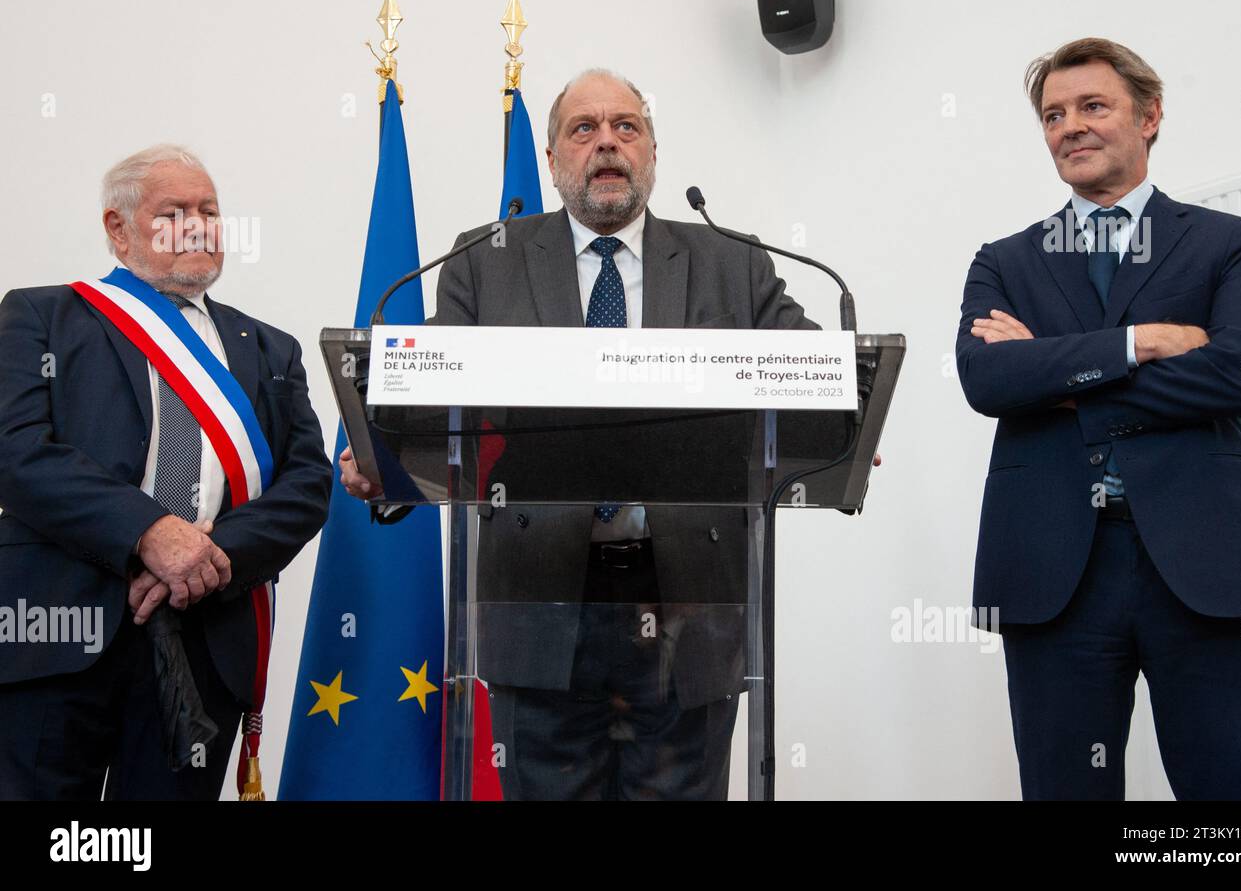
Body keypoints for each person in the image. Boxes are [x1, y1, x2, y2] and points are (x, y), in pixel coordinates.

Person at [341, 68, 821, 799]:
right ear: (551, 157)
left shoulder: (731, 260)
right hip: (536, 600)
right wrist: (384, 454)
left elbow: (814, 368)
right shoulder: (484, 259)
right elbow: (432, 391)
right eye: (584, 128)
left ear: (653, 150)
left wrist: (838, 428)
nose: (607, 143)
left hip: (690, 604)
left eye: (626, 126)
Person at [957, 38, 1241, 799]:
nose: (1069, 126)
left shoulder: (1229, 242)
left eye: (1092, 106)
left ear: (1149, 117)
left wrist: (1056, 375)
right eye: (1053, 115)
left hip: (1209, 563)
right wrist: (1138, 344)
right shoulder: (1004, 261)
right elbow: (987, 378)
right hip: (1053, 570)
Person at [0, 145, 332, 799]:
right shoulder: (41, 317)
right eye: (173, 212)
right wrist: (150, 532)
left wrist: (208, 555)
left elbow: (307, 484)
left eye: (209, 211)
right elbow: (16, 452)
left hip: (207, 637)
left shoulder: (270, 348)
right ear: (118, 228)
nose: (198, 226)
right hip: (57, 630)